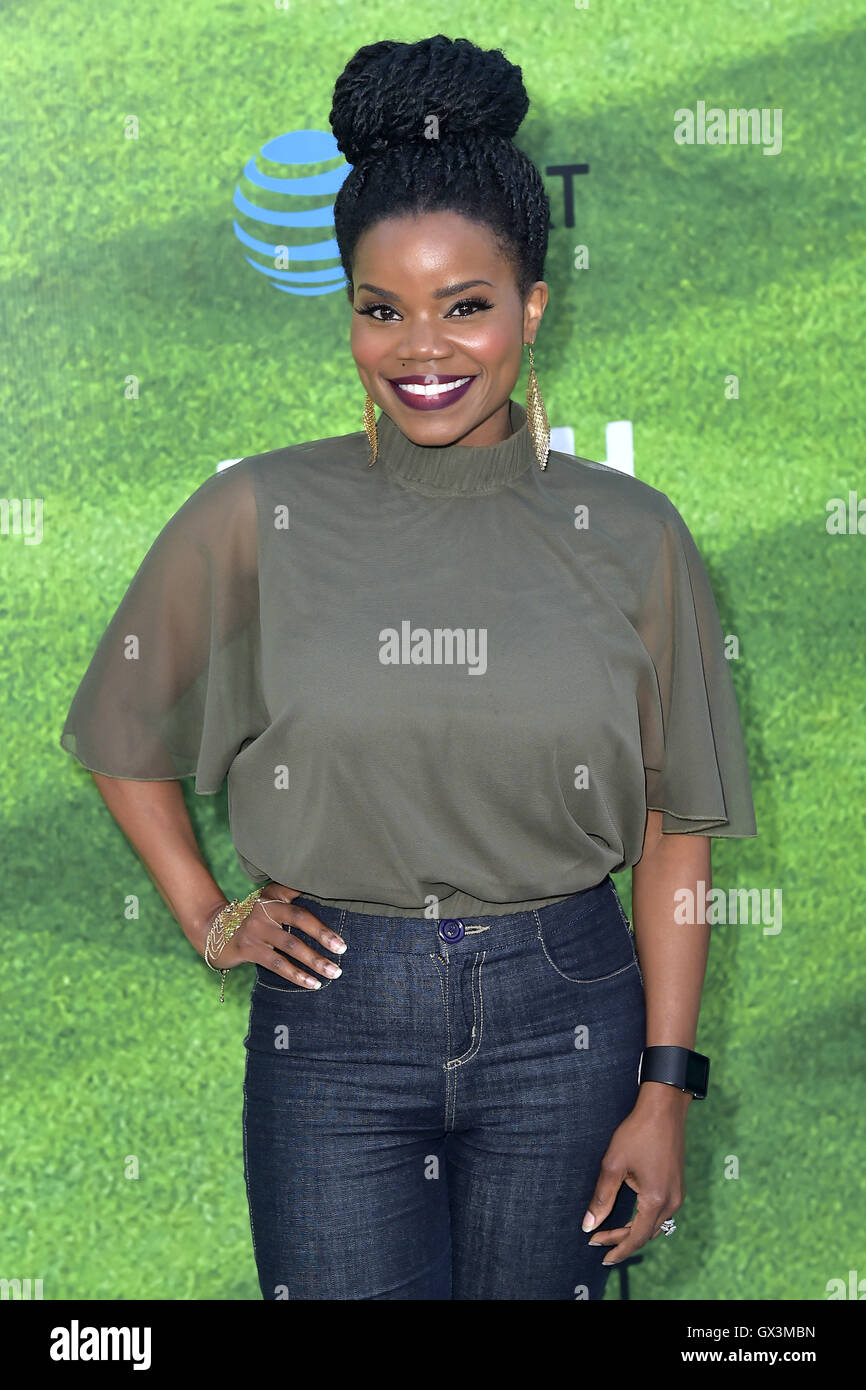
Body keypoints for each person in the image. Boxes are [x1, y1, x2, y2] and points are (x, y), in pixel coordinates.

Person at [59, 34, 757, 1301]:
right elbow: (121, 726)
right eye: (381, 308)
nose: (420, 348)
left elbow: (674, 829)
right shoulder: (257, 511)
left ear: (531, 306)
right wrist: (207, 912)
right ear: (347, 314)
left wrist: (666, 1083)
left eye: (465, 304)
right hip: (333, 1017)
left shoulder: (634, 535)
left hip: (571, 1011)